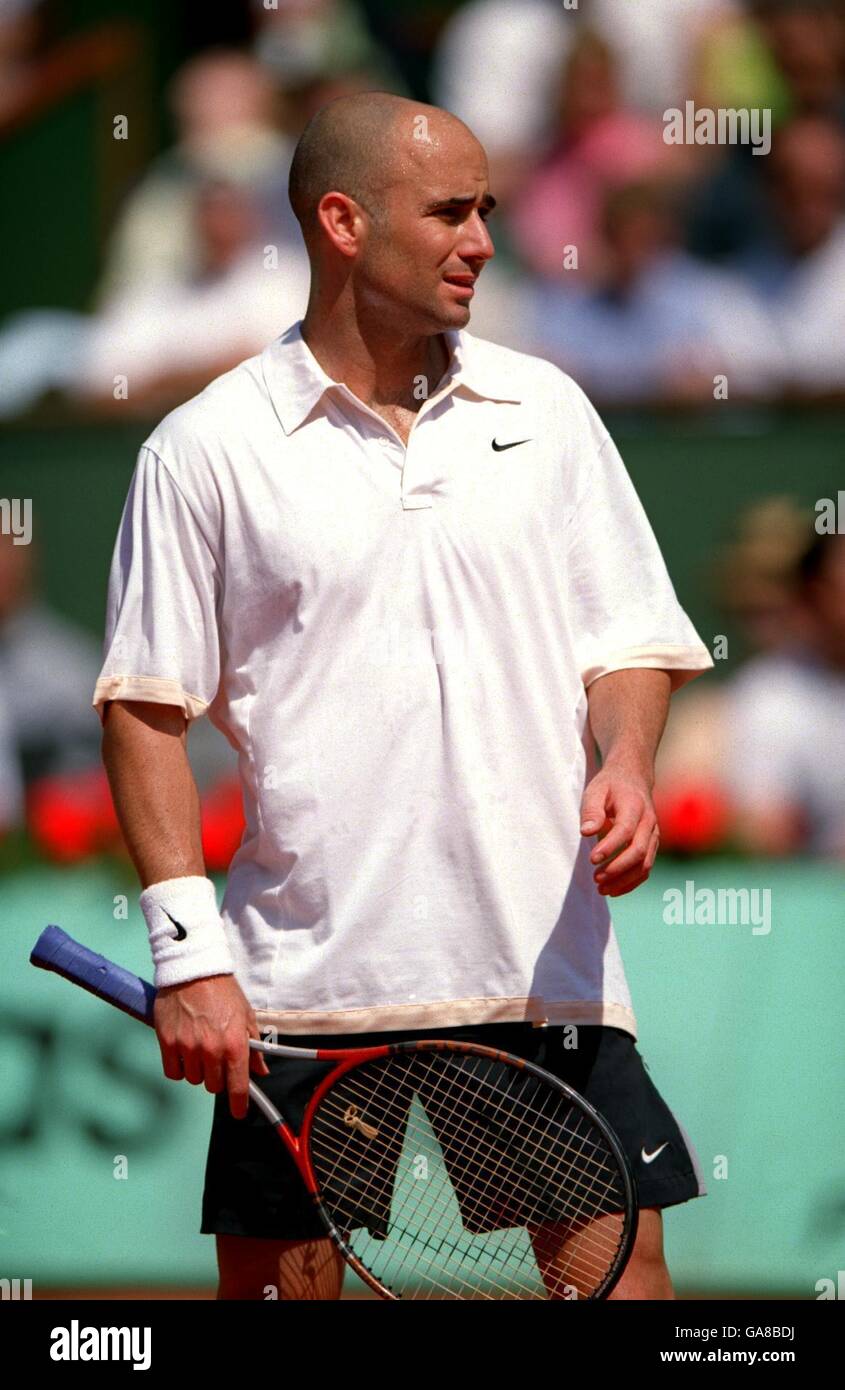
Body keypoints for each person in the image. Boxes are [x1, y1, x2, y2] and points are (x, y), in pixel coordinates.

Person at [93, 92, 713, 1301]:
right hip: (297, 988)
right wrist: (187, 954)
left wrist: (627, 760)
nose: (483, 237)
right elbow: (145, 706)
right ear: (341, 220)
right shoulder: (202, 448)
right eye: (449, 211)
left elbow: (630, 640)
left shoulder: (549, 412)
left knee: (627, 1280)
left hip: (544, 969)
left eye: (485, 208)